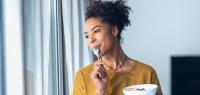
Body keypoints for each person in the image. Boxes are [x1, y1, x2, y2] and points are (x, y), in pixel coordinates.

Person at [73, 0, 163, 95]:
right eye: (87, 36)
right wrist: (100, 90)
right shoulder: (83, 76)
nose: (91, 40)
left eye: (96, 31)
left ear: (114, 31)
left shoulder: (147, 73)